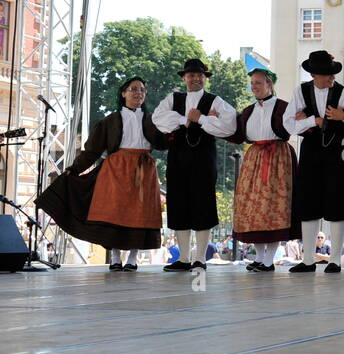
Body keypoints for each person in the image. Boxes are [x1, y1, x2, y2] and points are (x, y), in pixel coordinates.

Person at [36, 76, 169, 271]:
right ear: (123, 93)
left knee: (139, 213)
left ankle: (132, 258)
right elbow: (92, 151)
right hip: (116, 169)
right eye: (133, 89)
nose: (138, 93)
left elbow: (162, 144)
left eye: (142, 89)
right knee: (114, 212)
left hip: (144, 169)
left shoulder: (152, 120)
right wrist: (74, 169)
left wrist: (173, 127)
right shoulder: (110, 121)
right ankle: (115, 257)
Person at [289, 50, 344, 274]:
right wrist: (312, 120)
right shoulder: (301, 91)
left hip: (339, 149)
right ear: (315, 75)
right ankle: (308, 260)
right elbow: (288, 123)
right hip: (311, 148)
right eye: (327, 74)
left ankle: (335, 260)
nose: (332, 78)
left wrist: (343, 116)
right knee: (308, 201)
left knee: (338, 199)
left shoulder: (343, 92)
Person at [150, 57, 238, 271]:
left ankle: (200, 257)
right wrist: (184, 119)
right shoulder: (174, 98)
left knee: (203, 203)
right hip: (178, 156)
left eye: (199, 75)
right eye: (191, 75)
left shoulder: (214, 100)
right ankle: (183, 258)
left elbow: (230, 124)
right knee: (179, 203)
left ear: (204, 78)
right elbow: (158, 119)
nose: (195, 79)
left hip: (203, 157)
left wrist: (203, 120)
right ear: (184, 78)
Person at [227, 67, 296, 273]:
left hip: (277, 157)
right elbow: (237, 134)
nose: (254, 87)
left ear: (269, 84)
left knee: (274, 207)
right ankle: (259, 256)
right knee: (252, 208)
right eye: (252, 83)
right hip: (255, 156)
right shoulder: (248, 110)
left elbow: (293, 126)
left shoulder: (284, 107)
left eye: (258, 82)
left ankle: (268, 259)